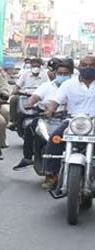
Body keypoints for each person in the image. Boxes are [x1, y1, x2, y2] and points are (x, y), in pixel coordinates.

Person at [40, 55, 95, 189]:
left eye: (91, 65)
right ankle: (51, 175)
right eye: (84, 65)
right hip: (73, 121)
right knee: (54, 139)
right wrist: (50, 110)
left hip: (94, 121)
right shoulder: (68, 84)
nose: (88, 68)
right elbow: (56, 101)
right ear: (79, 67)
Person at [13, 59, 71, 171]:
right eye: (60, 74)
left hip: (72, 120)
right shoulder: (46, 86)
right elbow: (34, 98)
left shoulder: (74, 87)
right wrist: (30, 103)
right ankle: (28, 157)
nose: (62, 76)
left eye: (66, 74)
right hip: (48, 118)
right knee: (32, 126)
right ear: (55, 74)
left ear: (71, 75)